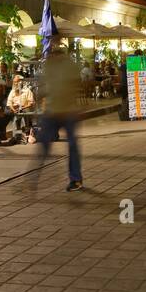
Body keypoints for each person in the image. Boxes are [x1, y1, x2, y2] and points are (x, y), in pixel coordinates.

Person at [37, 46, 84, 191]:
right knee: (44, 142)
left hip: (68, 111)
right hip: (52, 111)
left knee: (72, 145)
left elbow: (75, 86)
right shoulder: (49, 67)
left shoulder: (70, 65)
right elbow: (44, 88)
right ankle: (34, 177)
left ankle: (75, 179)